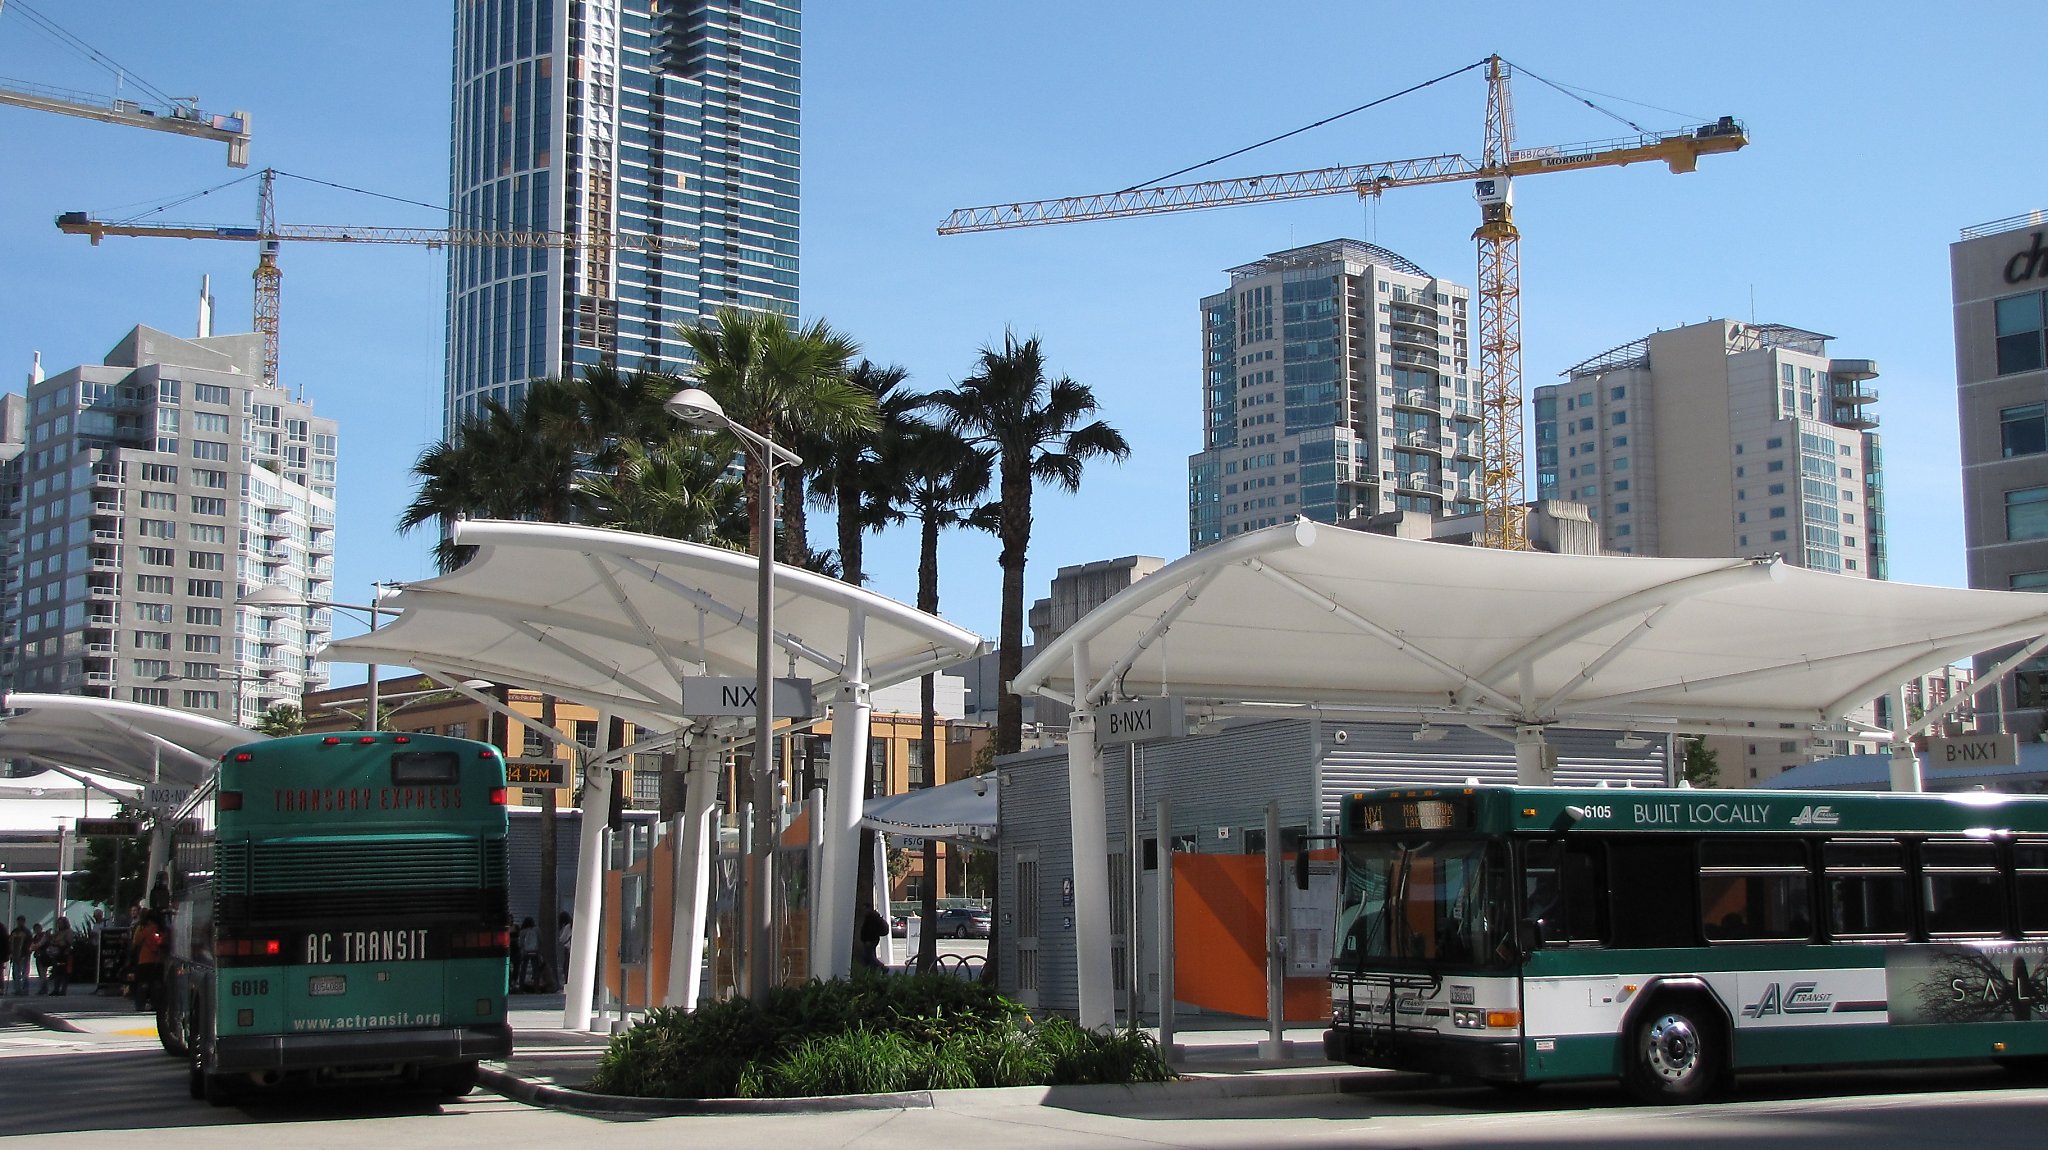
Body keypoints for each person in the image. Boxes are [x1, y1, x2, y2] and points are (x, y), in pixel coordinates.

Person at [129, 911, 166, 1012]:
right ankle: (156, 1005)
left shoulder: (142, 928)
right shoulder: (161, 929)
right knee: (156, 984)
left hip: (144, 960)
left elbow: (136, 942)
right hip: (158, 961)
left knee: (143, 984)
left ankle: (140, 1005)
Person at [39, 917, 74, 996]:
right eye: (58, 923)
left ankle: (63, 990)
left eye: (61, 923)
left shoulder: (68, 932)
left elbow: (70, 942)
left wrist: (63, 944)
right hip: (56, 953)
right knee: (57, 972)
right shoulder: (58, 932)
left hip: (64, 953)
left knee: (64, 972)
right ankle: (56, 989)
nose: (59, 925)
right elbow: (52, 939)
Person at [856, 902, 888, 971]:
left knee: (870, 956)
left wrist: (866, 939)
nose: (863, 911)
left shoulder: (871, 917)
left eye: (864, 908)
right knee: (870, 956)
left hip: (870, 940)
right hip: (872, 939)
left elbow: (869, 930)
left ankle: (883, 968)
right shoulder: (873, 916)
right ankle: (873, 970)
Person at [515, 916, 541, 992]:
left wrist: (521, 950)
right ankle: (537, 988)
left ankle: (521, 987)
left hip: (525, 952)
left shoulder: (522, 931)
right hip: (535, 951)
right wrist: (540, 951)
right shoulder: (537, 930)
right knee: (535, 970)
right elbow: (540, 941)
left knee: (523, 969)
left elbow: (520, 943)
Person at [6, 916, 29, 996]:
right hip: (15, 955)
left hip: (23, 955)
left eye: (21, 921)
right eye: (18, 921)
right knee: (16, 973)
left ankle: (24, 989)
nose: (19, 923)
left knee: (24, 973)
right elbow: (10, 942)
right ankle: (17, 989)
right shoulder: (14, 931)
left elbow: (28, 944)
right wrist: (11, 953)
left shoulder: (27, 932)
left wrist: (25, 953)